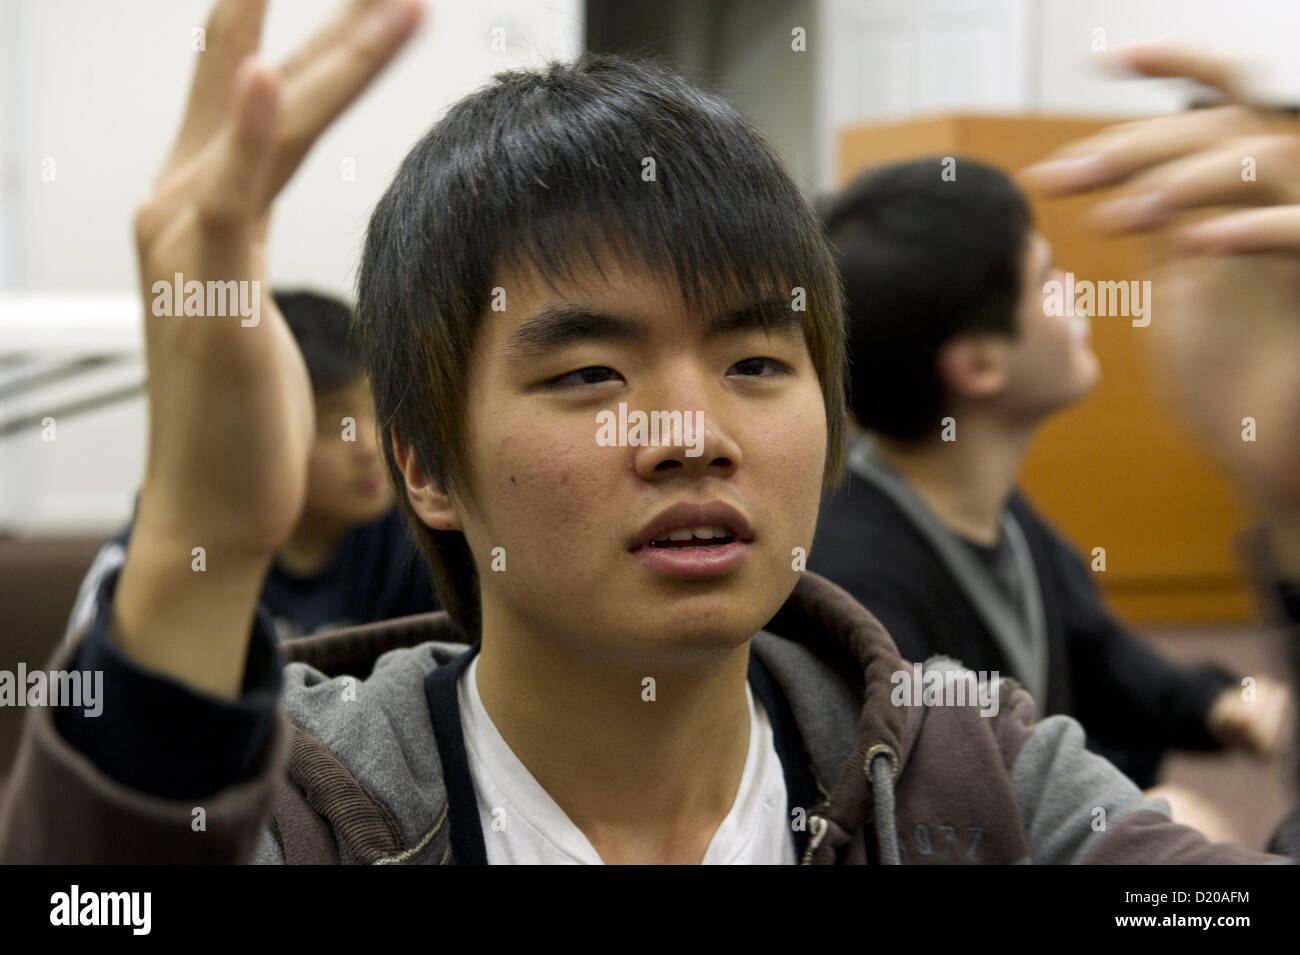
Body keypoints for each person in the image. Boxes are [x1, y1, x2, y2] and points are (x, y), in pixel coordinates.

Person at [0, 0, 1287, 864]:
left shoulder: (968, 776)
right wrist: (198, 538)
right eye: (590, 373)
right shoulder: (309, 805)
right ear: (429, 468)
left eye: (754, 361)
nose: (692, 433)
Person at [808, 157, 1290, 789]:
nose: (1075, 290)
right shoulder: (860, 587)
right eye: (1046, 279)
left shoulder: (988, 508)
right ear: (979, 364)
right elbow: (940, 813)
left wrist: (1214, 703)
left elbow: (1096, 653)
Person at [64, 289, 438, 643]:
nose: (369, 446)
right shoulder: (169, 550)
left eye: (377, 410)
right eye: (331, 424)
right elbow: (89, 699)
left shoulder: (417, 542)